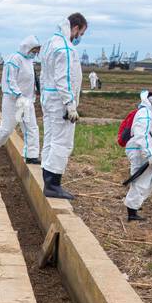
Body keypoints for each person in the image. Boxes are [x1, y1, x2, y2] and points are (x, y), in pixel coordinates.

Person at [39, 12, 87, 199]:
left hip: (49, 98)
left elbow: (44, 76)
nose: (79, 38)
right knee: (62, 142)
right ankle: (53, 185)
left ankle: (48, 178)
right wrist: (70, 104)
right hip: (60, 101)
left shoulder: (51, 43)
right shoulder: (65, 48)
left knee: (50, 139)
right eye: (80, 33)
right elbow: (64, 79)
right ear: (75, 28)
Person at [0, 35, 41, 165]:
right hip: (13, 100)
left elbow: (31, 80)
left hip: (26, 101)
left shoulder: (29, 62)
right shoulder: (13, 59)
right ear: (28, 47)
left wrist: (35, 92)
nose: (34, 54)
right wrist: (18, 94)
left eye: (36, 52)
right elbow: (10, 80)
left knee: (31, 128)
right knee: (7, 129)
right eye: (34, 51)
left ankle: (31, 156)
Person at [122, 88, 152, 221]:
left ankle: (135, 205)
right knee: (140, 182)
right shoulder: (146, 113)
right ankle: (132, 212)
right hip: (140, 151)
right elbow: (141, 136)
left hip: (141, 151)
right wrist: (149, 155)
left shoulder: (148, 112)